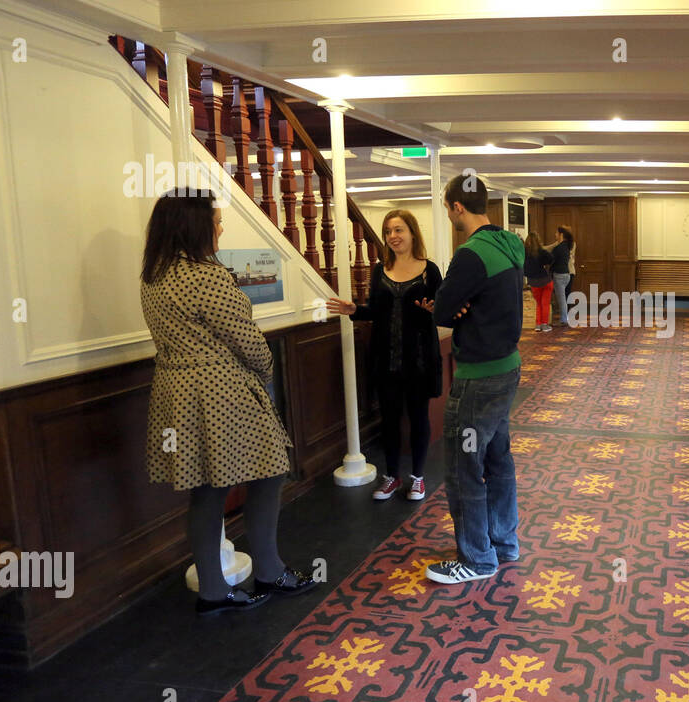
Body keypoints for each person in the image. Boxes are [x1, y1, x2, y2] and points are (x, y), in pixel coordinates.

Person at [140, 188, 316, 615]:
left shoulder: (155, 274)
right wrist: (267, 371)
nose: (220, 229)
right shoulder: (206, 275)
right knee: (270, 470)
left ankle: (214, 591)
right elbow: (248, 342)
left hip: (175, 392)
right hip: (220, 391)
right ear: (194, 226)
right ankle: (270, 571)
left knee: (206, 490)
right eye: (216, 222)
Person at [425, 173, 525, 585]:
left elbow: (441, 311)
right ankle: (503, 543)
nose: (449, 217)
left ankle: (477, 559)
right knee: (498, 460)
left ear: (457, 207)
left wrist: (456, 304)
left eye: (448, 210)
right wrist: (461, 303)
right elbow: (461, 304)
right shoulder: (511, 243)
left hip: (478, 377)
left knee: (464, 467)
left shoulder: (471, 254)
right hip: (507, 368)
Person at [327, 209, 442, 502]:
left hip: (418, 360)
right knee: (388, 420)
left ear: (412, 233)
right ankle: (392, 476)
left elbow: (441, 311)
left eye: (399, 230)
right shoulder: (380, 270)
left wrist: (433, 311)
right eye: (388, 231)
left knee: (418, 418)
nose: (392, 236)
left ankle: (418, 478)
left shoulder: (430, 270)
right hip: (386, 359)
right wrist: (356, 310)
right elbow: (377, 312)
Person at [523, 230, 554, 332]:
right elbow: (551, 258)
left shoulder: (525, 253)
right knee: (545, 303)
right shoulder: (541, 251)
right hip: (545, 281)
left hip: (533, 282)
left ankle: (538, 325)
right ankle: (545, 325)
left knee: (538, 303)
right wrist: (544, 263)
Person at [547, 226, 574, 327]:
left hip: (559, 276)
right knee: (563, 298)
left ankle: (563, 320)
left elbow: (550, 259)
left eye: (556, 233)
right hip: (566, 274)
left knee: (561, 299)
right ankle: (564, 318)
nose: (555, 235)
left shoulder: (559, 248)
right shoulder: (567, 246)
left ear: (561, 235)